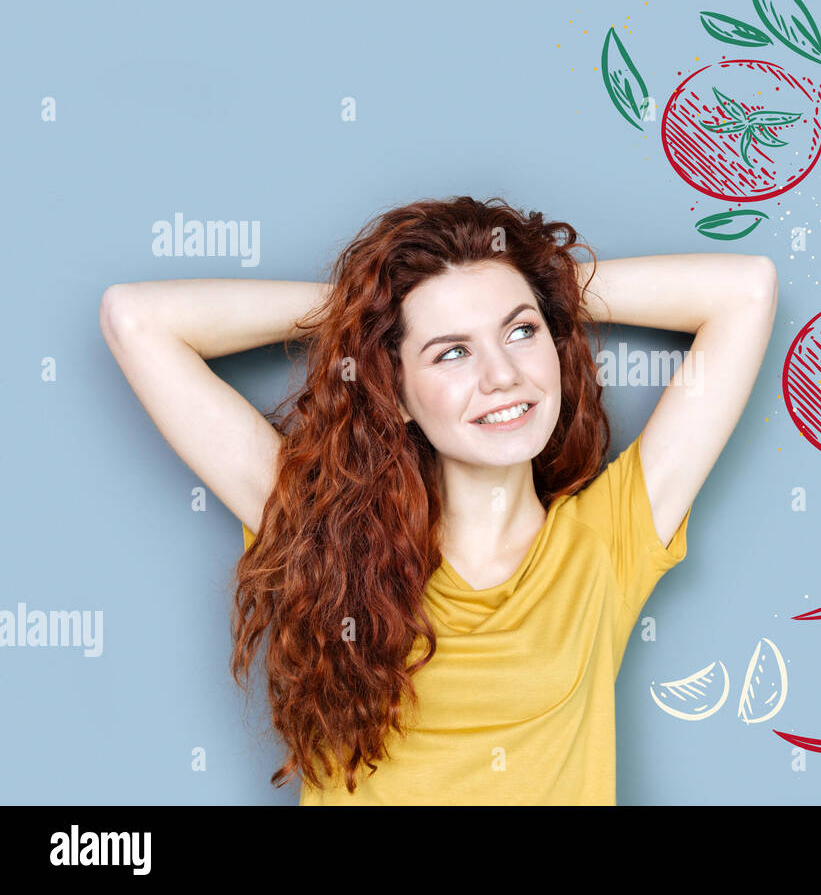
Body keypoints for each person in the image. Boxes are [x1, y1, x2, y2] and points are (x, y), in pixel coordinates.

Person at [98, 195, 777, 805]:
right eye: (451, 352)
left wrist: (541, 284)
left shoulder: (608, 540)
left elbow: (746, 292)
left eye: (521, 331)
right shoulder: (323, 529)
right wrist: (365, 310)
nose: (502, 375)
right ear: (394, 392)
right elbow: (135, 320)